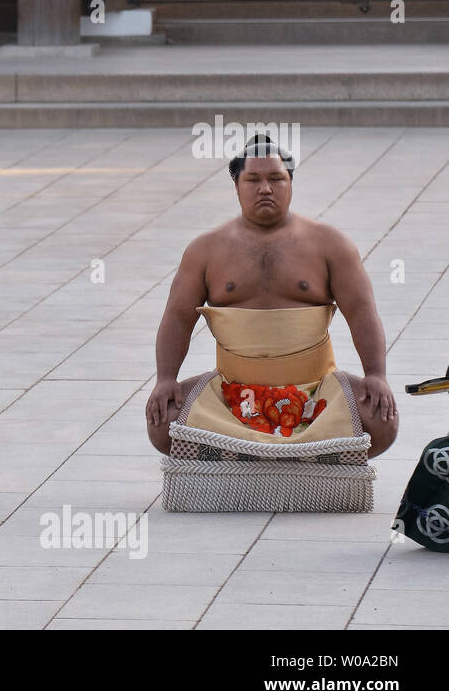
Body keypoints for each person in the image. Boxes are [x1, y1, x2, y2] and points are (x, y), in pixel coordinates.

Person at [146, 134, 398, 459]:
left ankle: (250, 457)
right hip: (232, 394)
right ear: (236, 186)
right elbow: (178, 317)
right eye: (253, 180)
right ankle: (290, 457)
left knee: (380, 420)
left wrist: (376, 374)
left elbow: (362, 312)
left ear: (291, 183)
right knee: (163, 420)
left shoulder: (330, 244)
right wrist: (165, 378)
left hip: (316, 391)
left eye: (276, 179)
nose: (265, 188)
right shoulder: (204, 250)